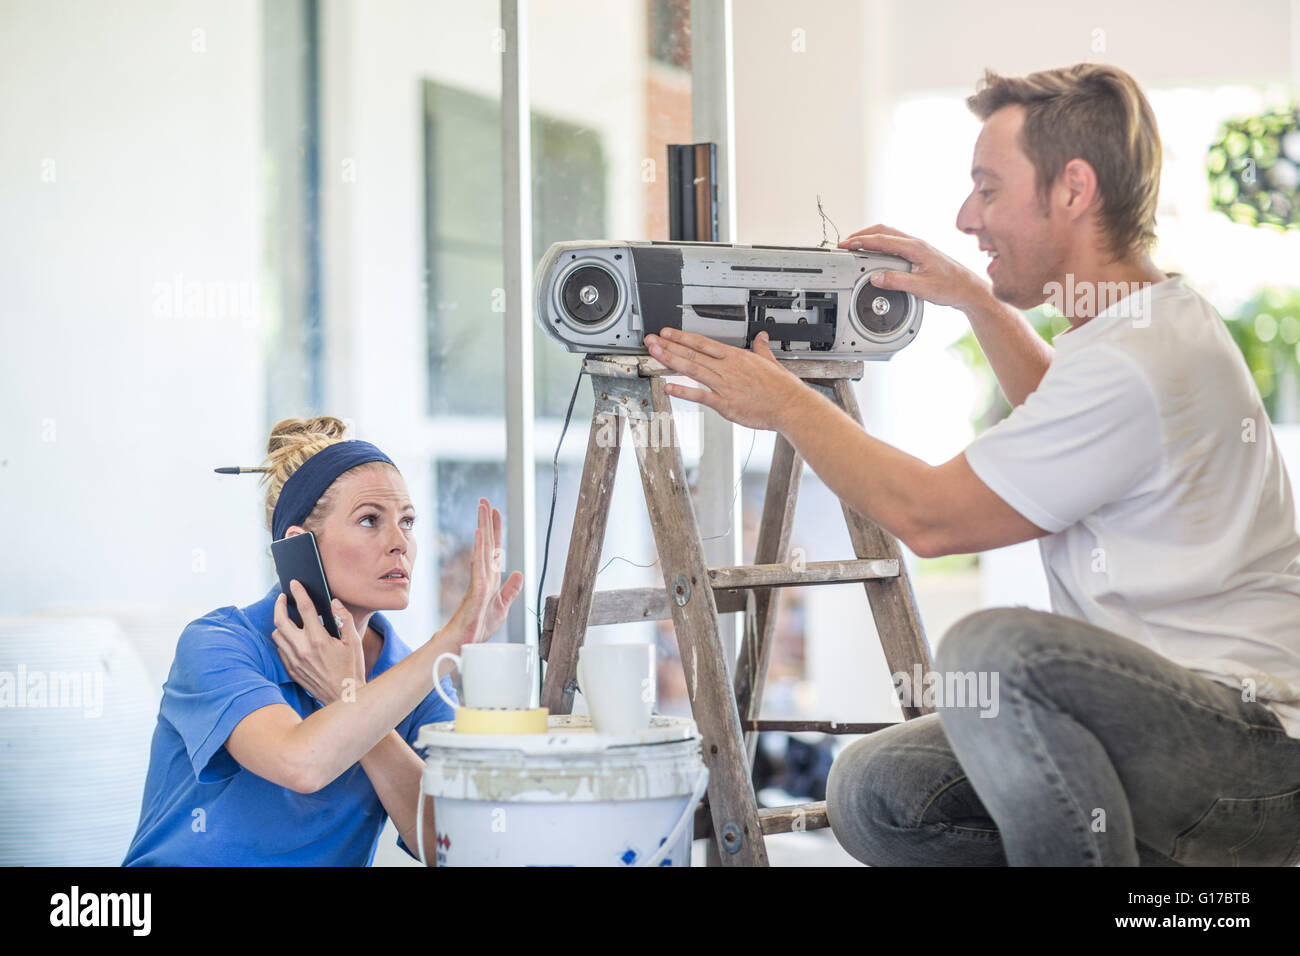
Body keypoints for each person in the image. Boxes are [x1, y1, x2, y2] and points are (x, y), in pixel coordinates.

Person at [642, 62, 1300, 866]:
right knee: (875, 787)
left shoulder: (1137, 358)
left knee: (998, 653)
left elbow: (932, 518)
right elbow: (1062, 415)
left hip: (1252, 761)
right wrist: (978, 301)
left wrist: (782, 402)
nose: (966, 218)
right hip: (1167, 739)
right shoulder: (1144, 330)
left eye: (988, 189)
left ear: (1074, 190)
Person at [123, 416, 524, 865]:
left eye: (407, 521)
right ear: (299, 546)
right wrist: (450, 642)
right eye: (370, 520)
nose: (400, 543)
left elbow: (448, 846)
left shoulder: (413, 678)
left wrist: (347, 692)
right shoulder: (218, 644)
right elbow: (301, 763)